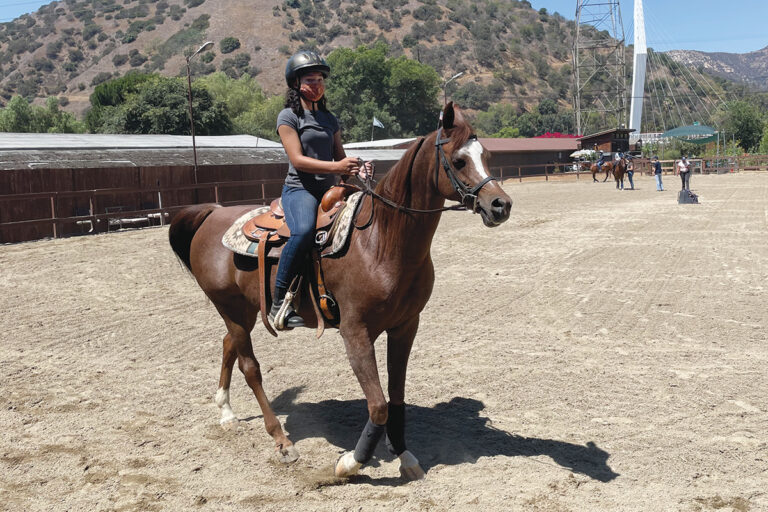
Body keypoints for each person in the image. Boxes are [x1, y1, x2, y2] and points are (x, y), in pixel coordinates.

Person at [271, 50, 368, 329]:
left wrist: (357, 168)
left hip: (331, 192)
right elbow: (298, 160)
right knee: (302, 232)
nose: (316, 85)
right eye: (309, 80)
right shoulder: (288, 117)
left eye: (319, 80)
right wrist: (338, 168)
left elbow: (340, 156)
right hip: (300, 190)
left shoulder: (329, 119)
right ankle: (279, 301)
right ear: (296, 84)